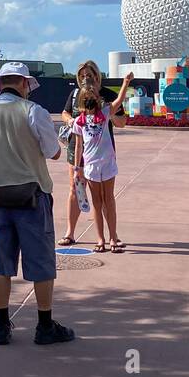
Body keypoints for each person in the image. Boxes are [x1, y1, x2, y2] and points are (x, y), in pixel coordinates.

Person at [0, 61, 75, 346]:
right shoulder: (34, 111)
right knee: (41, 262)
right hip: (32, 195)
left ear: (1, 83)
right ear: (24, 83)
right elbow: (53, 152)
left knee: (1, 261)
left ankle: (2, 325)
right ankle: (44, 326)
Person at [57, 60, 131, 246]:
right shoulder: (75, 95)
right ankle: (71, 233)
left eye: (88, 75)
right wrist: (72, 121)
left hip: (102, 154)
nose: (85, 79)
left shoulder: (107, 98)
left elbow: (121, 122)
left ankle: (112, 235)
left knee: (106, 197)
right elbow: (64, 114)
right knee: (76, 190)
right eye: (81, 76)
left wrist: (106, 111)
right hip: (78, 151)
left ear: (97, 75)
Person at [71, 88, 124, 253]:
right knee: (97, 202)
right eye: (86, 96)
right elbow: (79, 145)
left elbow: (119, 100)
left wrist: (126, 82)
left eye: (92, 95)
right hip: (91, 166)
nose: (89, 98)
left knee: (109, 200)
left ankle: (113, 238)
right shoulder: (79, 121)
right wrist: (77, 168)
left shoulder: (105, 114)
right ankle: (100, 238)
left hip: (107, 163)